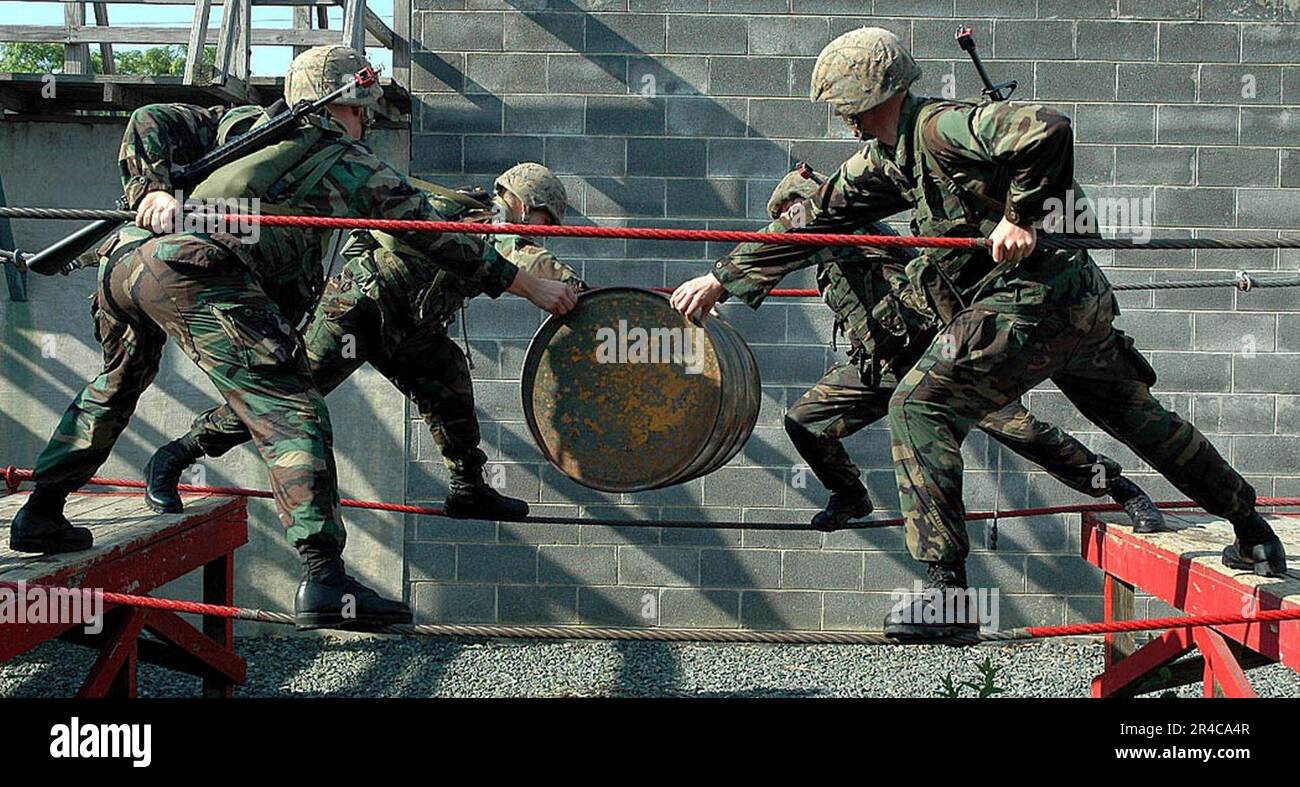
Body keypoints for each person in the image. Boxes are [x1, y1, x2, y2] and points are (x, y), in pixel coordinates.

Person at [671, 27, 1286, 641]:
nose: (840, 117)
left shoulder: (939, 128)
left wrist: (1021, 216)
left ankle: (948, 596)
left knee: (918, 404)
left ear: (867, 93)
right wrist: (723, 277)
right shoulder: (888, 160)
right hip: (1073, 303)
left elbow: (1047, 127)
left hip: (1036, 298)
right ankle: (1252, 530)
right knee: (1141, 421)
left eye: (843, 103)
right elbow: (816, 216)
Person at [11, 46, 577, 632]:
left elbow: (152, 120)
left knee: (116, 386)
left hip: (125, 266)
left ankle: (42, 513)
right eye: (364, 113)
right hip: (213, 274)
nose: (368, 125)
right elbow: (420, 227)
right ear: (345, 103)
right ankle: (323, 577)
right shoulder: (337, 154)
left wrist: (148, 190)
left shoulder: (240, 125)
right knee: (290, 409)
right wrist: (525, 285)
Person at [143, 163, 587, 524]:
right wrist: (581, 295)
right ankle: (179, 454)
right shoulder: (475, 215)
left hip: (410, 327)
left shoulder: (475, 215)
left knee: (449, 382)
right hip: (360, 311)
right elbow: (520, 255)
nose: (546, 232)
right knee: (284, 397)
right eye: (547, 222)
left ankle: (468, 488)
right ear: (527, 206)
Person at [750, 170, 1164, 534]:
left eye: (798, 208)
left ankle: (1117, 487)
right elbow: (780, 250)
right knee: (804, 422)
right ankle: (850, 495)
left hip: (943, 359)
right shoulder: (819, 259)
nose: (794, 218)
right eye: (787, 212)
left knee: (1027, 433)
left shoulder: (861, 232)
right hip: (884, 365)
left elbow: (804, 236)